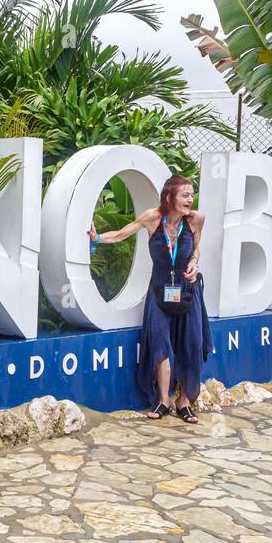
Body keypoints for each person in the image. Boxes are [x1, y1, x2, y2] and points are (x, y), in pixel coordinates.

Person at [90, 176, 212, 423]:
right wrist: (97, 238)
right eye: (185, 195)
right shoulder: (152, 218)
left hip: (187, 291)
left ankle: (185, 402)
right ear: (170, 197)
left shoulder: (196, 219)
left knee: (191, 342)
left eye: (191, 194)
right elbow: (121, 235)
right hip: (159, 290)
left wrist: (193, 262)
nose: (190, 199)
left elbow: (197, 247)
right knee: (159, 342)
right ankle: (163, 400)